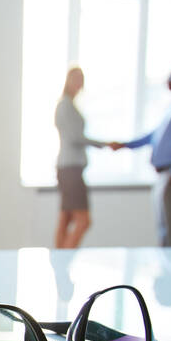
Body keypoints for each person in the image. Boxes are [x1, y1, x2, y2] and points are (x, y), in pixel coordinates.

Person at [108, 60, 171, 247]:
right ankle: (167, 274)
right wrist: (125, 145)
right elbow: (155, 136)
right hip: (165, 174)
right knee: (165, 228)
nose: (168, 79)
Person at [53, 66, 104, 249]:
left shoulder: (69, 104)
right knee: (83, 220)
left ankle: (59, 266)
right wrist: (103, 144)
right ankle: (63, 262)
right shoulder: (65, 105)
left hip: (69, 167)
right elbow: (75, 137)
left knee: (65, 218)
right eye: (76, 78)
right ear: (68, 80)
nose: (80, 82)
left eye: (82, 78)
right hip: (70, 168)